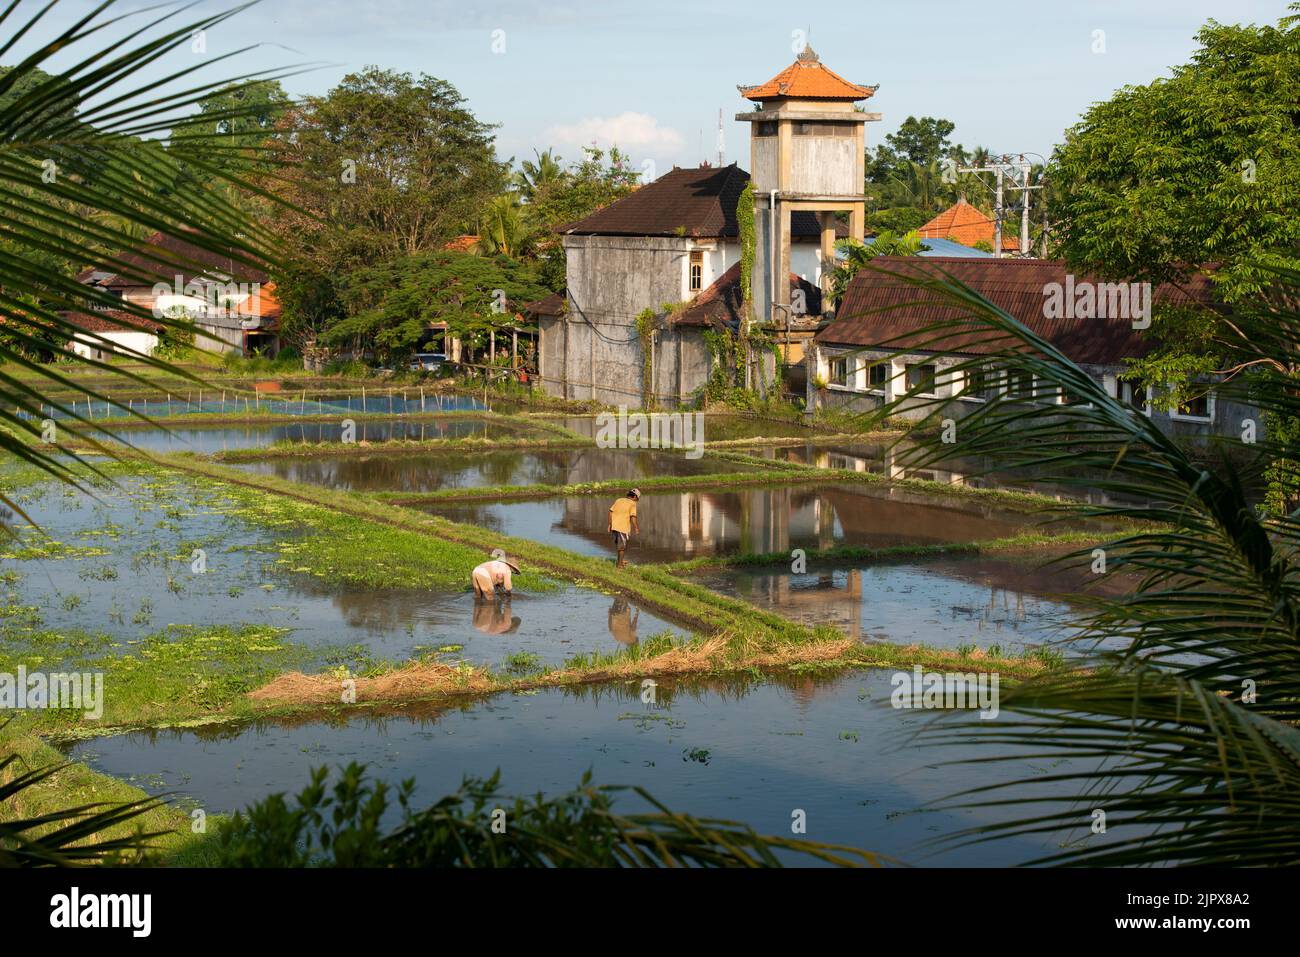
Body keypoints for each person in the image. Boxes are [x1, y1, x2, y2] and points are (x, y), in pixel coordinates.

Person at [607, 488, 640, 569]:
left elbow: (611, 512)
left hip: (614, 526)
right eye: (637, 498)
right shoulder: (632, 503)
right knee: (622, 547)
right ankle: (619, 565)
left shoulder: (619, 500)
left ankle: (620, 561)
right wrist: (636, 528)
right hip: (622, 527)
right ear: (635, 497)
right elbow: (633, 517)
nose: (637, 500)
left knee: (619, 545)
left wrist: (610, 524)